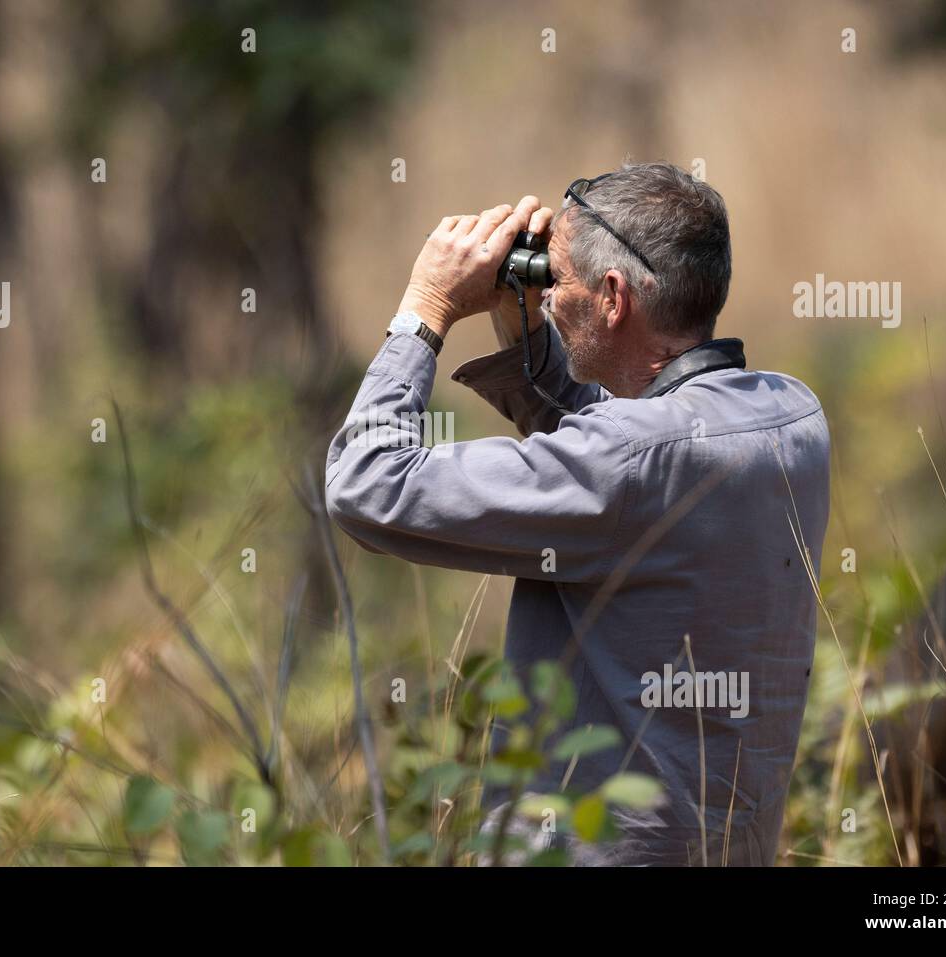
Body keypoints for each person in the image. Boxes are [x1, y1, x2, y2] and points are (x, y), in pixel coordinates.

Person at [324, 162, 831, 865]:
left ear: (614, 297)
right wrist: (527, 328)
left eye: (555, 281)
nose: (549, 295)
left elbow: (366, 484)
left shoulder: (625, 463)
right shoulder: (794, 415)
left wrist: (424, 311)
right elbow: (626, 459)